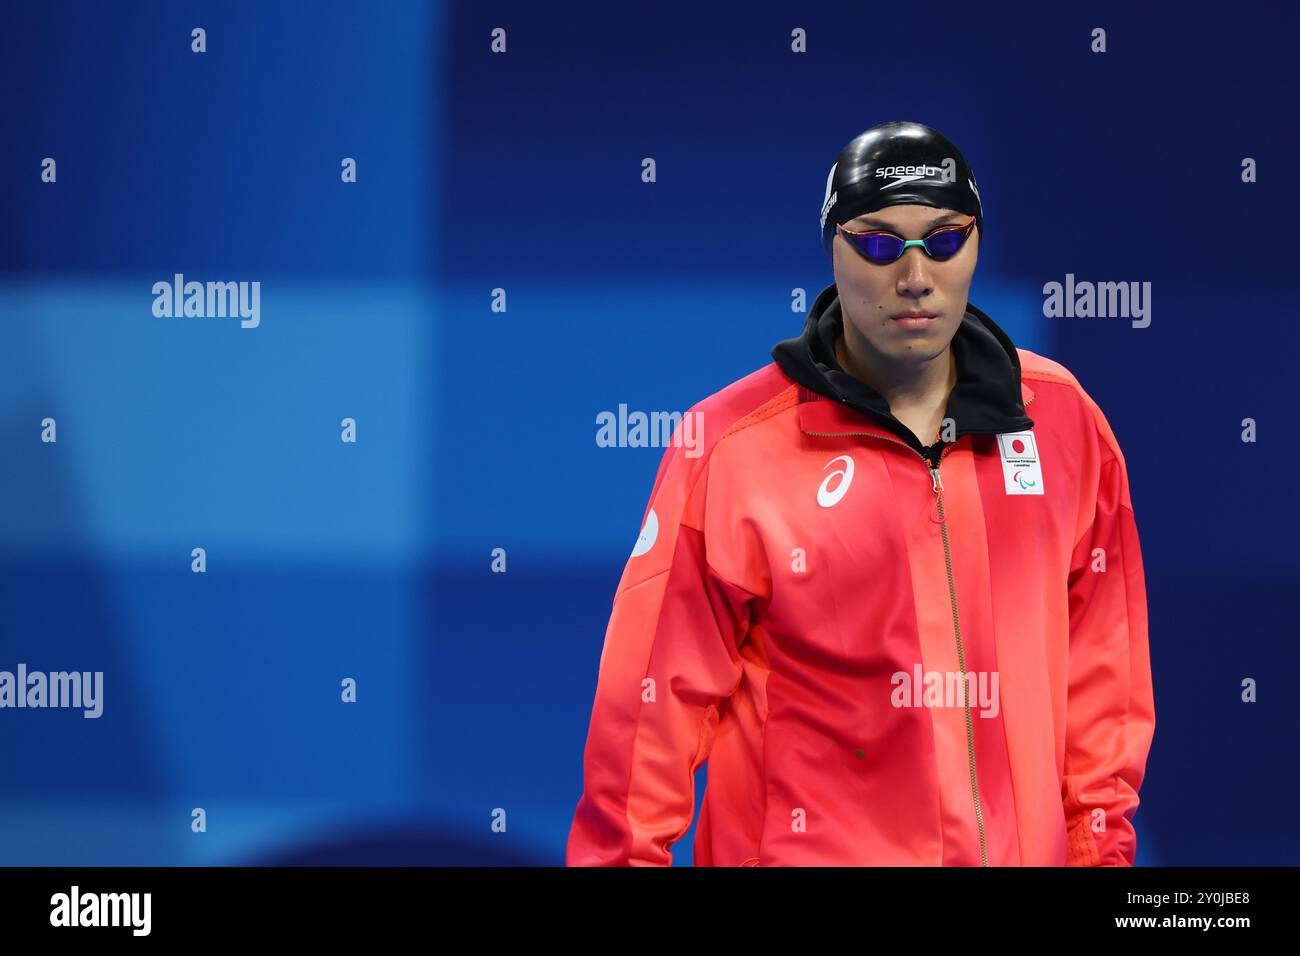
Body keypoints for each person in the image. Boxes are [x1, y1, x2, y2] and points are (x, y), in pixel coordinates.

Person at [565, 120, 1155, 866]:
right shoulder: (729, 449)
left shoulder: (1064, 424)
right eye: (879, 244)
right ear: (832, 248)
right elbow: (644, 727)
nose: (915, 276)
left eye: (944, 241)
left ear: (975, 244)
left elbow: (1104, 691)